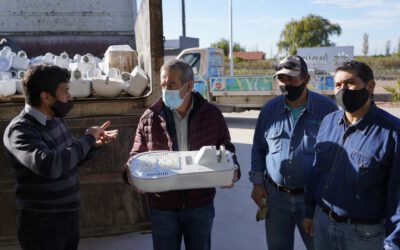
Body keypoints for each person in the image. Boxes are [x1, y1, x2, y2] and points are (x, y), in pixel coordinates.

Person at [123, 59, 240, 250]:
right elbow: (136, 154)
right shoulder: (150, 117)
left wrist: (233, 170)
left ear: (190, 86)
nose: (166, 89)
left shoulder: (211, 114)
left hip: (200, 204)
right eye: (163, 84)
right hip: (163, 206)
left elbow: (226, 148)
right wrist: (130, 173)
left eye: (171, 84)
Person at [3, 64, 118, 250]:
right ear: (45, 96)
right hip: (41, 224)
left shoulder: (55, 120)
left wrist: (93, 146)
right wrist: (88, 139)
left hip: (68, 217)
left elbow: (70, 159)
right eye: (65, 91)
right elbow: (52, 165)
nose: (70, 97)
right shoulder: (20, 130)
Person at [303, 60, 400, 250]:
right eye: (338, 85)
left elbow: (397, 195)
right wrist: (309, 212)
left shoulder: (392, 132)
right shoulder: (329, 122)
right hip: (323, 223)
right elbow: (317, 172)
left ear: (370, 86)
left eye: (349, 83)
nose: (342, 90)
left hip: (364, 235)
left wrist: (393, 242)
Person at [250, 55, 337, 250]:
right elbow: (258, 149)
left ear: (305, 79)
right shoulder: (269, 111)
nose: (286, 84)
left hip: (313, 200)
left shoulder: (328, 110)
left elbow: (335, 157)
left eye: (292, 78)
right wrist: (257, 183)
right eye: (282, 79)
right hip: (275, 198)